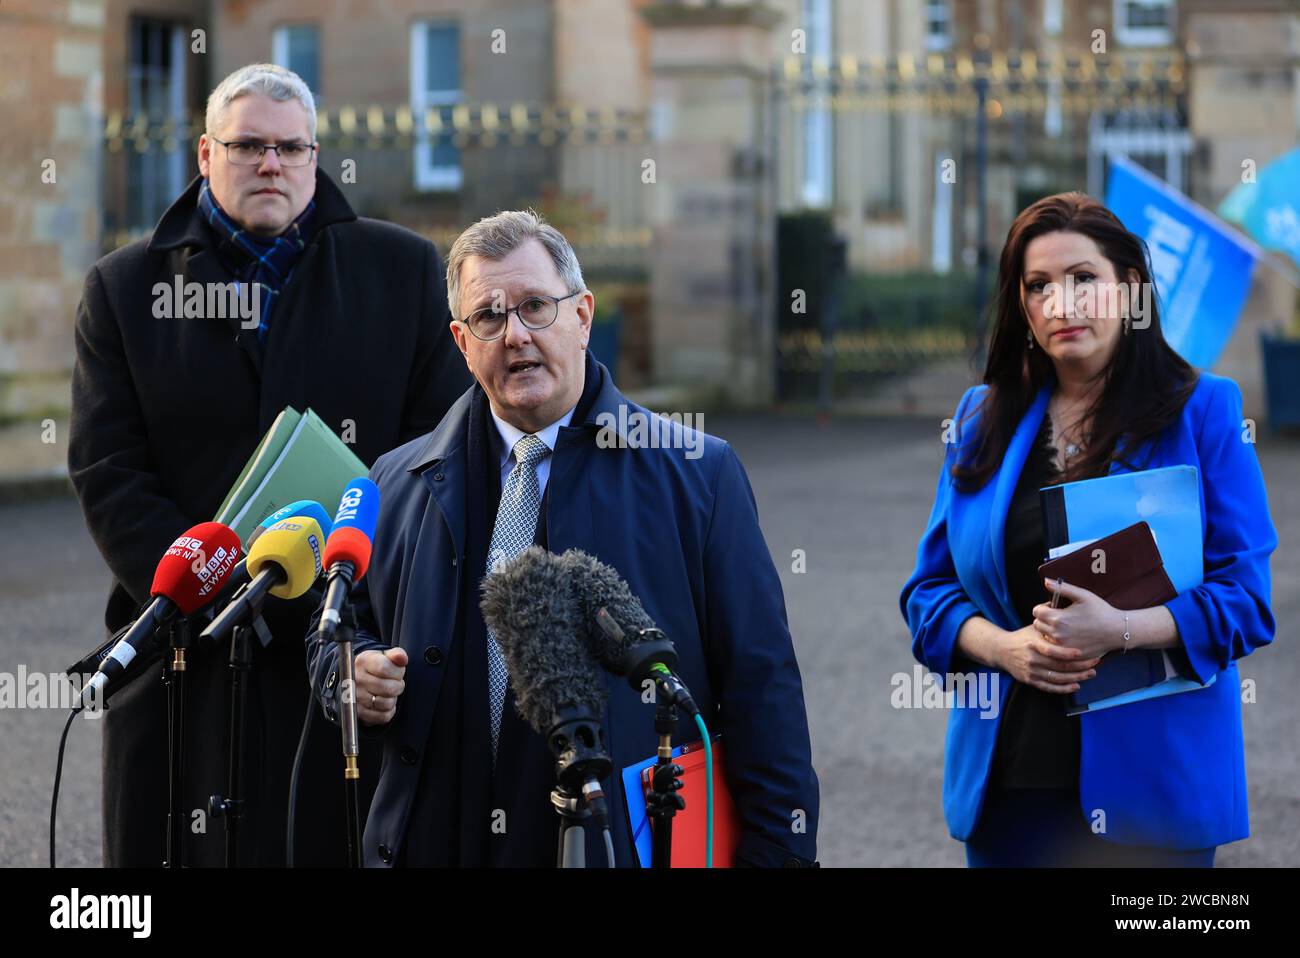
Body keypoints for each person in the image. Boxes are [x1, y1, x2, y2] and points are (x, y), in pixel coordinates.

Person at [306, 210, 819, 867]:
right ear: (462, 342)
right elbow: (335, 631)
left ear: (582, 316)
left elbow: (762, 687)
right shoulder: (395, 481)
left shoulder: (698, 475)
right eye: (489, 317)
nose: (515, 334)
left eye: (535, 306)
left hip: (618, 844)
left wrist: (779, 854)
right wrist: (351, 674)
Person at [69, 63, 469, 867]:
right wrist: (216, 584)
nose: (271, 164)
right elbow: (108, 469)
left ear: (315, 157)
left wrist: (330, 603)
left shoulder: (403, 270)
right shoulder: (124, 286)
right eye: (249, 145)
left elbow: (436, 457)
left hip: (342, 641)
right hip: (184, 646)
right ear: (206, 152)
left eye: (291, 147)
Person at [900, 192, 1276, 867]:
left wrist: (1123, 629)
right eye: (1037, 285)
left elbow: (1247, 601)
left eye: (1082, 279)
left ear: (1129, 287)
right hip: (1010, 795)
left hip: (1152, 803)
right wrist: (1001, 647)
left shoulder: (1205, 411)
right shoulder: (979, 417)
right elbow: (928, 595)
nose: (1060, 305)